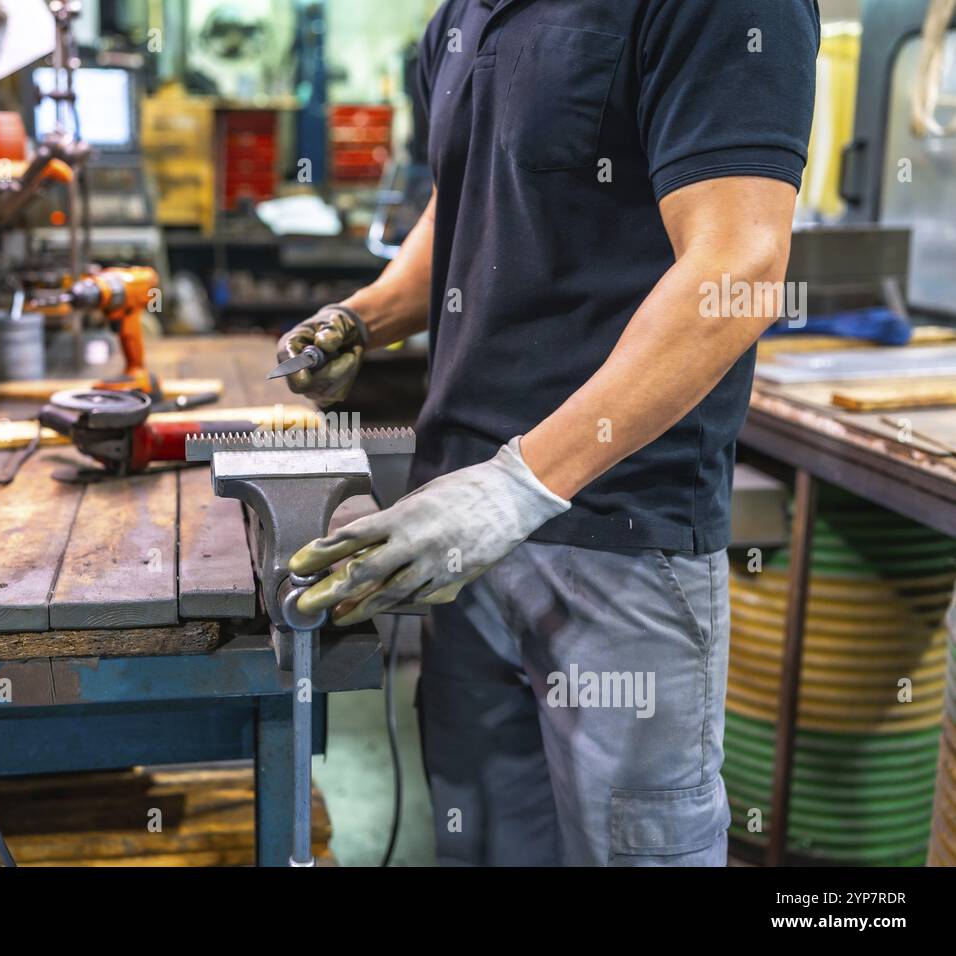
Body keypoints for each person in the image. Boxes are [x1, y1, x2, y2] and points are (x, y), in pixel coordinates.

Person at [277, 0, 820, 865]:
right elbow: (464, 205)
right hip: (455, 530)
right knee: (487, 845)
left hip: (617, 536)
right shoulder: (464, 15)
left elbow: (739, 268)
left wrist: (516, 486)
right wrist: (361, 317)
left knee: (631, 852)